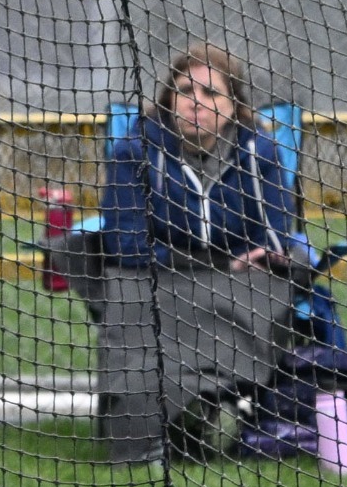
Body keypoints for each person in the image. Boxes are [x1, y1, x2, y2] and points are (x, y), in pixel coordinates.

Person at [97, 45, 299, 462]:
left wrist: (261, 254)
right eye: (186, 90)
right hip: (160, 276)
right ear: (169, 98)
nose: (196, 104)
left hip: (241, 280)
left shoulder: (260, 151)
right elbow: (127, 242)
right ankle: (166, 419)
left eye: (211, 94)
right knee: (129, 293)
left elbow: (276, 234)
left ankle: (213, 406)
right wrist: (197, 261)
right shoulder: (134, 150)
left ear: (233, 104)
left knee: (274, 284)